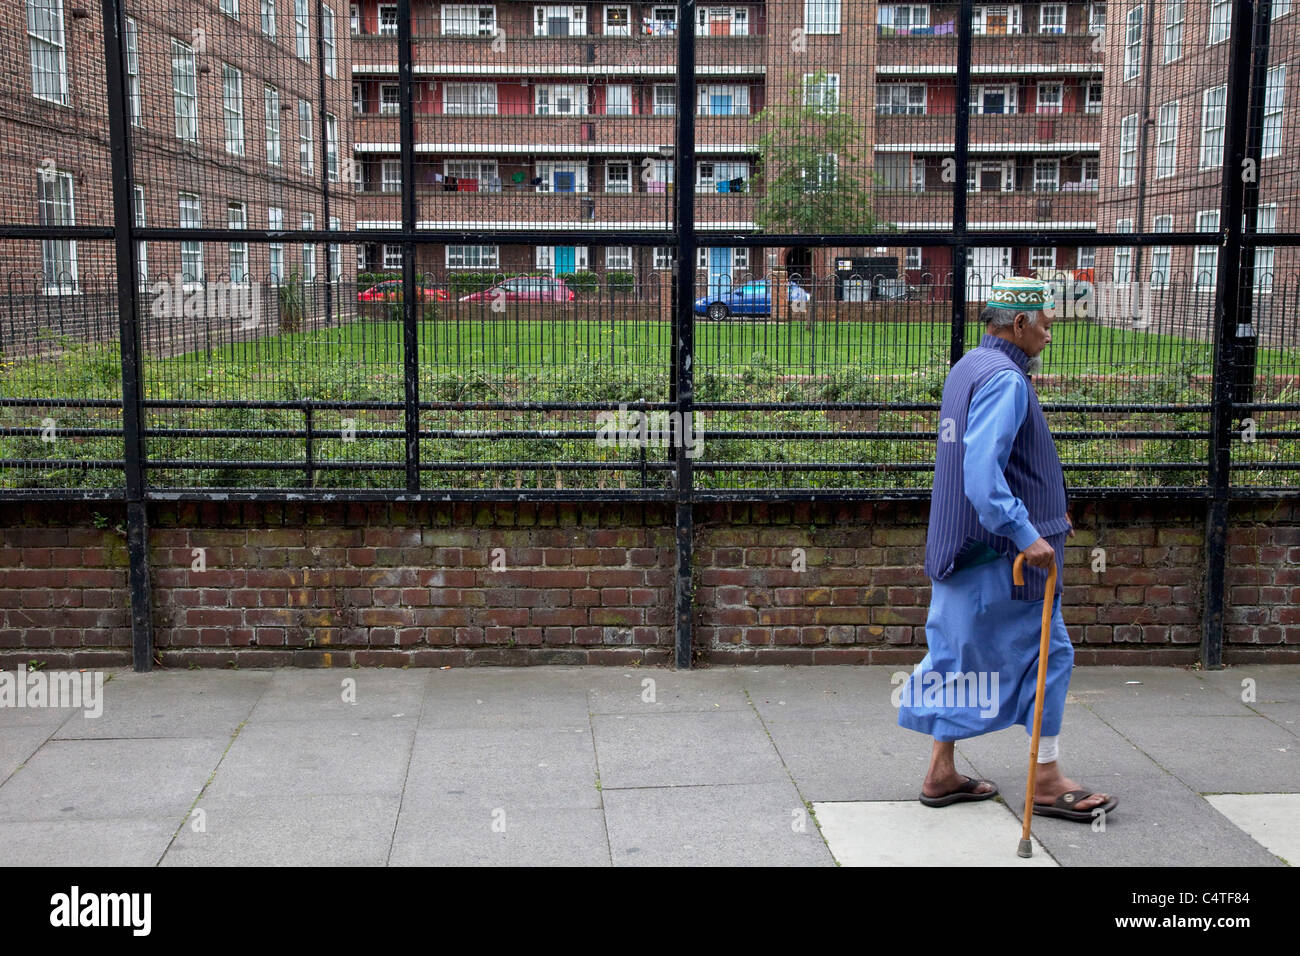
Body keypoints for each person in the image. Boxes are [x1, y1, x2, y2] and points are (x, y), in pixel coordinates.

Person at [896, 276, 1118, 823]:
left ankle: (941, 772)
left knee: (955, 656)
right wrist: (1026, 534)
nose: (1050, 330)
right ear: (1017, 324)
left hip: (958, 547)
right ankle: (1044, 780)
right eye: (1045, 321)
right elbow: (982, 473)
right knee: (1050, 656)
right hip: (1005, 555)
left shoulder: (968, 366)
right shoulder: (1007, 381)